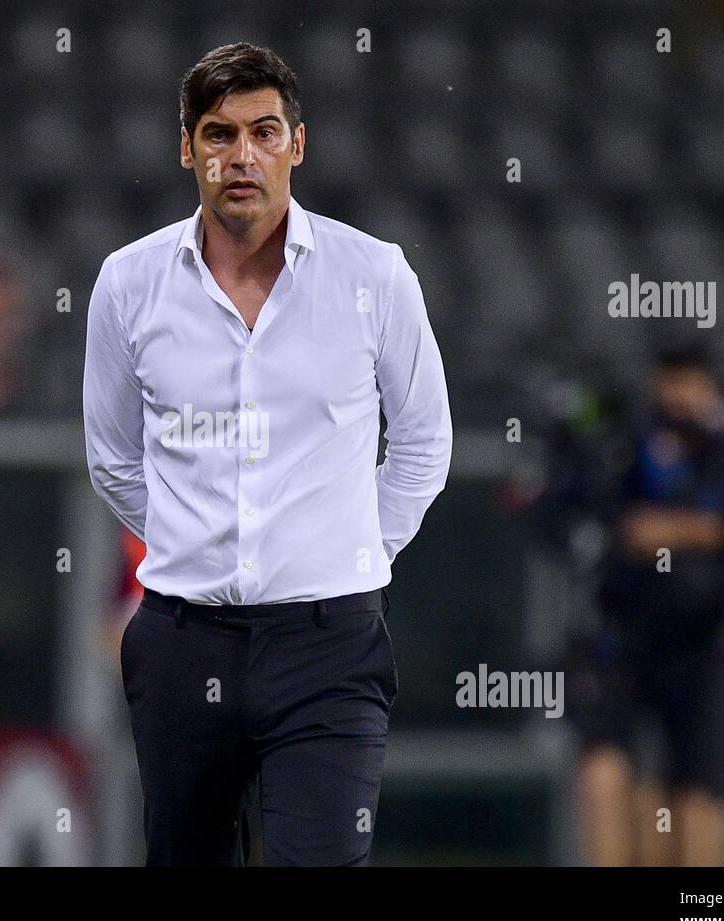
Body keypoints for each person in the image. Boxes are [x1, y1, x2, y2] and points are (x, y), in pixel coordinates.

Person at [83, 42, 452, 865]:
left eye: (263, 131)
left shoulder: (376, 275)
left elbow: (425, 441)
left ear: (298, 144)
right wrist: (193, 540)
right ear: (187, 149)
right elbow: (112, 457)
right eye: (218, 135)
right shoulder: (126, 282)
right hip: (182, 641)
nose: (240, 156)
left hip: (331, 645)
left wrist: (352, 549)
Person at [574, 343, 724, 866]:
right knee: (618, 773)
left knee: (704, 788)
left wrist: (687, 530)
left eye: (688, 383)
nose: (676, 397)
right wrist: (716, 530)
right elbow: (615, 529)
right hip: (632, 635)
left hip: (714, 641)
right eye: (669, 381)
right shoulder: (630, 444)